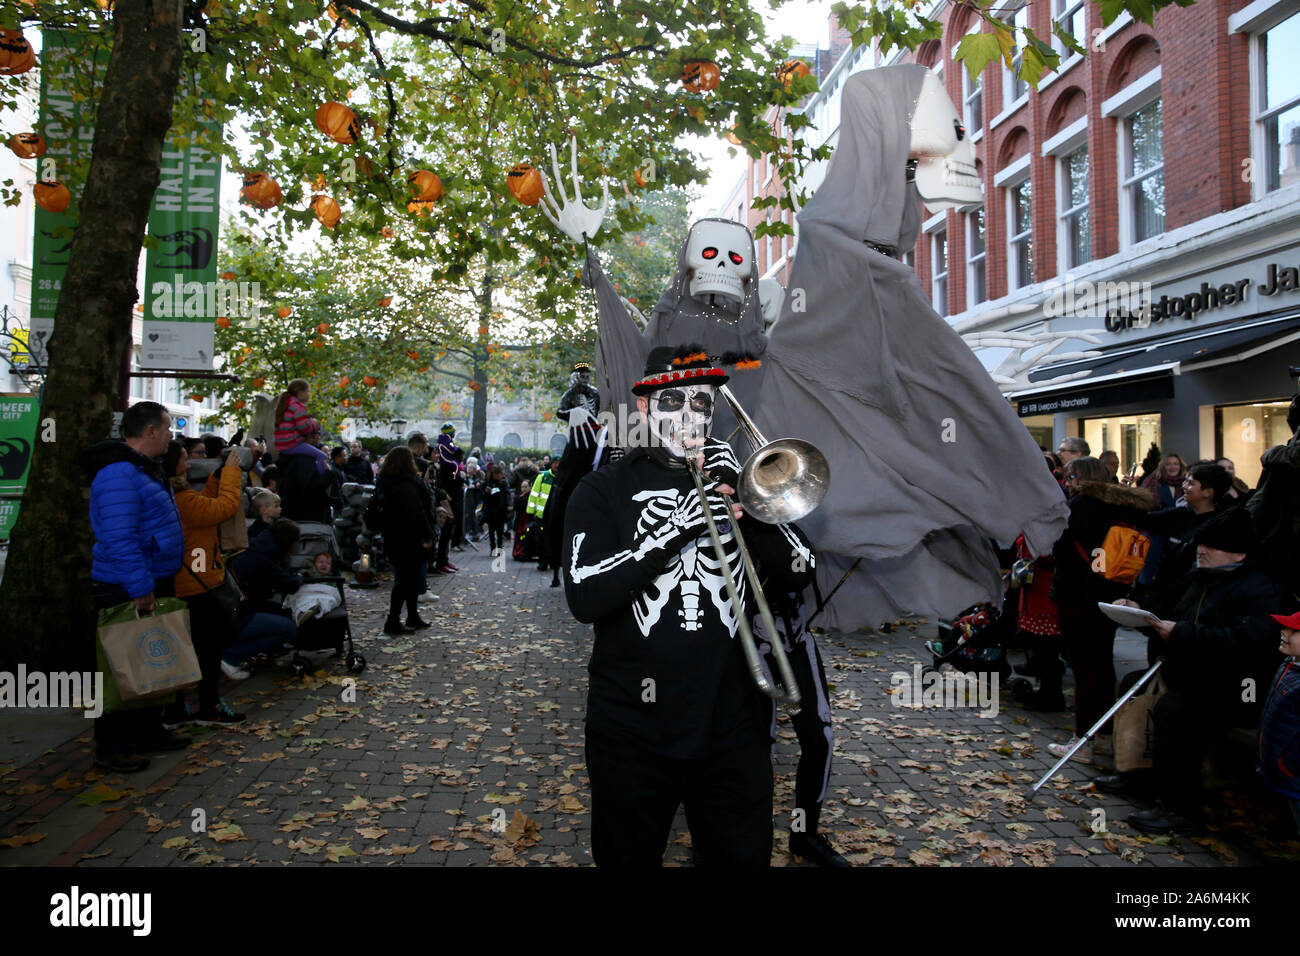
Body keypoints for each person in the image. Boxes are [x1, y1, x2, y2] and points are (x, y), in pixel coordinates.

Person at [562, 345, 813, 867]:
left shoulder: (738, 486)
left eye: (702, 403)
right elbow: (584, 595)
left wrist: (751, 503)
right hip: (631, 728)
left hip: (734, 727)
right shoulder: (602, 487)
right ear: (645, 410)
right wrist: (675, 529)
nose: (688, 414)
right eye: (672, 400)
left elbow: (800, 569)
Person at [1100, 510, 1293, 833]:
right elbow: (1174, 612)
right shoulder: (1202, 576)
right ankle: (1136, 774)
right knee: (1136, 685)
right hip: (1199, 672)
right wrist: (1141, 612)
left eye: (1212, 546)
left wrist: (1182, 633)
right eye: (1201, 544)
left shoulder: (1260, 588)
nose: (1201, 550)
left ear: (1238, 553)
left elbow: (1248, 644)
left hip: (1242, 685)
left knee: (1177, 710)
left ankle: (1181, 809)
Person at [84, 401, 187, 773]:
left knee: (149, 657)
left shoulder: (139, 470)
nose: (170, 436)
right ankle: (111, 746)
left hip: (149, 578)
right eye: (167, 428)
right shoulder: (118, 474)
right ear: (150, 432)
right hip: (126, 585)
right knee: (121, 664)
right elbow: (120, 538)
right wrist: (140, 587)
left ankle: (147, 729)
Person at [1046, 456, 1155, 764]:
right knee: (1102, 667)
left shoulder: (1076, 509)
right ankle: (1104, 736)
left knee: (1085, 670)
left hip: (1076, 596)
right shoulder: (1123, 507)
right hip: (1110, 596)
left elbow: (1057, 546)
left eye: (1069, 476)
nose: (1066, 481)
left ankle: (1084, 741)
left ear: (1079, 477)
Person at [164, 441, 247, 725]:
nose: (190, 465)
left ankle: (178, 709)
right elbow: (224, 507)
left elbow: (207, 503)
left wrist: (219, 474)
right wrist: (233, 474)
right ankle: (206, 707)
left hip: (191, 577)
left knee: (186, 648)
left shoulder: (179, 496)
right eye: (185, 459)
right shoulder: (182, 500)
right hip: (195, 585)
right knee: (207, 649)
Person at [225, 518, 303, 673]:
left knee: (281, 611)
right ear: (289, 542)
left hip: (232, 610)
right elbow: (290, 584)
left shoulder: (257, 546)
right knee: (289, 628)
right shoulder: (263, 558)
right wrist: (301, 577)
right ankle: (230, 656)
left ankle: (269, 648)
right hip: (234, 617)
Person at [375, 446, 435, 635]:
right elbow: (416, 512)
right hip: (409, 538)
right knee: (405, 580)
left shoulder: (386, 482)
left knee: (409, 578)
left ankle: (411, 616)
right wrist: (427, 535)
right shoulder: (405, 484)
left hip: (395, 537)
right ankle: (393, 620)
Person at [1257, 611, 1300, 833]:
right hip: (1280, 768)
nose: (1284, 632)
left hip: (1292, 773)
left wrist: (1287, 765)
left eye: (1295, 631)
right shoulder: (1289, 663)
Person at [274, 379, 329, 472]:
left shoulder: (286, 404)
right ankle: (320, 480)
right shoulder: (298, 407)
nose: (309, 394)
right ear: (300, 393)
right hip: (291, 444)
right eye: (308, 391)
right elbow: (304, 429)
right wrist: (314, 424)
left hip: (282, 444)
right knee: (322, 456)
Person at [481, 463, 511, 554]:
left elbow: (507, 494)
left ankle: (499, 547)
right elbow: (482, 497)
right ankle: (493, 548)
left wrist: (509, 505)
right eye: (496, 474)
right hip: (490, 509)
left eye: (500, 473)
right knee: (491, 530)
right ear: (492, 474)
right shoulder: (486, 484)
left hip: (501, 509)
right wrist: (486, 492)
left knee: (500, 530)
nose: (498, 475)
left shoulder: (504, 483)